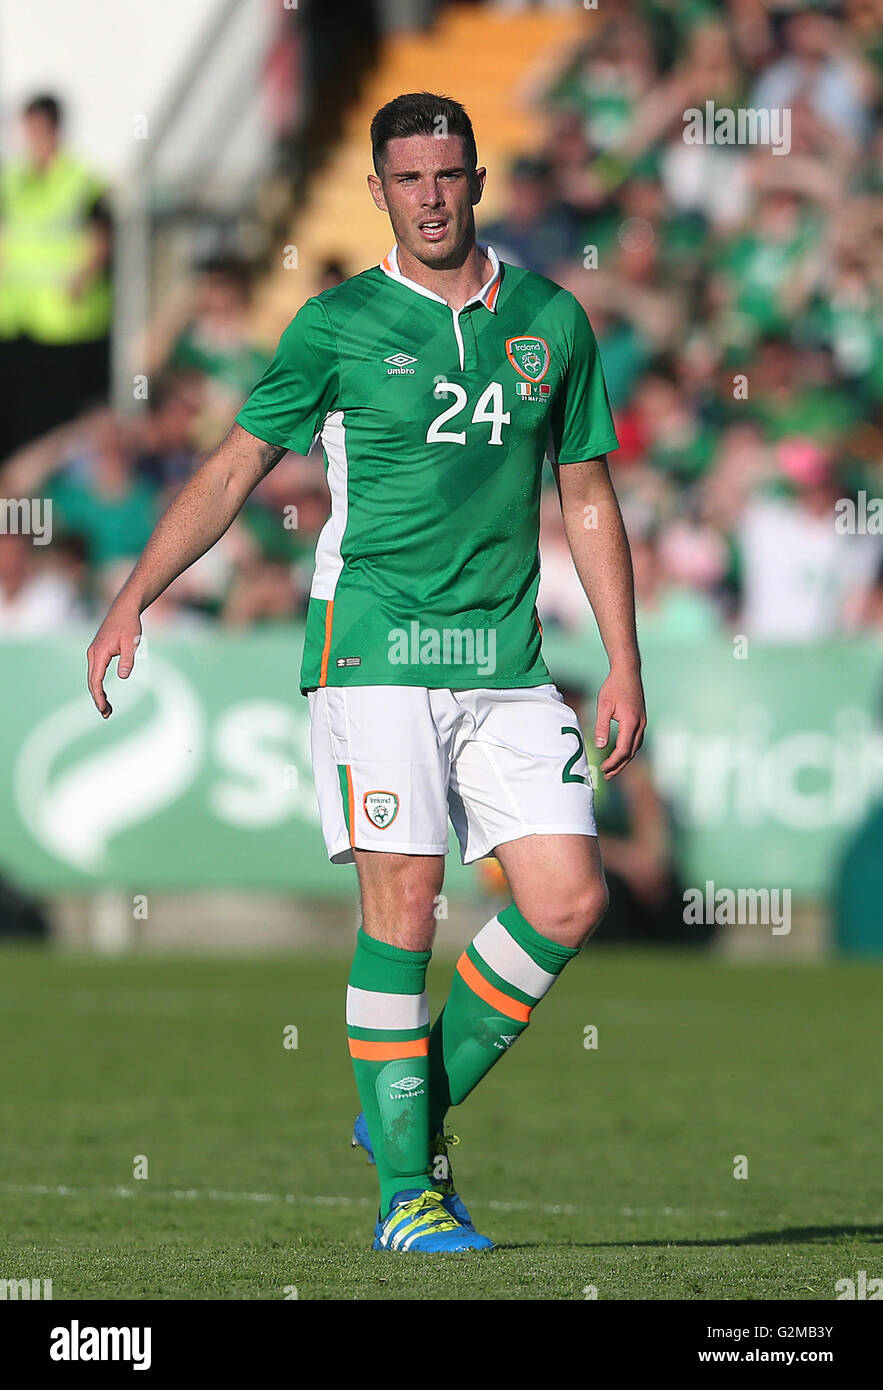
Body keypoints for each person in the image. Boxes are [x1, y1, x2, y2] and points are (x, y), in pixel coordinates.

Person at [86, 92, 646, 1254]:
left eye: (449, 175)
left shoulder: (551, 318)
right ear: (382, 188)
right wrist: (136, 590)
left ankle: (405, 1114)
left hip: (503, 657)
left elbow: (586, 492)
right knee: (404, 905)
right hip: (373, 647)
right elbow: (239, 462)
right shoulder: (336, 323)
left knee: (569, 899)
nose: (431, 197)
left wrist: (625, 662)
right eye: (408, 178)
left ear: (478, 180)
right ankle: (409, 1196)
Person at [0, 95, 112, 458]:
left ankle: (49, 500)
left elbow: (101, 236)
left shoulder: (80, 179)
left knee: (57, 419)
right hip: (18, 317)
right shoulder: (14, 178)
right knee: (17, 415)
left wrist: (78, 283)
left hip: (67, 323)